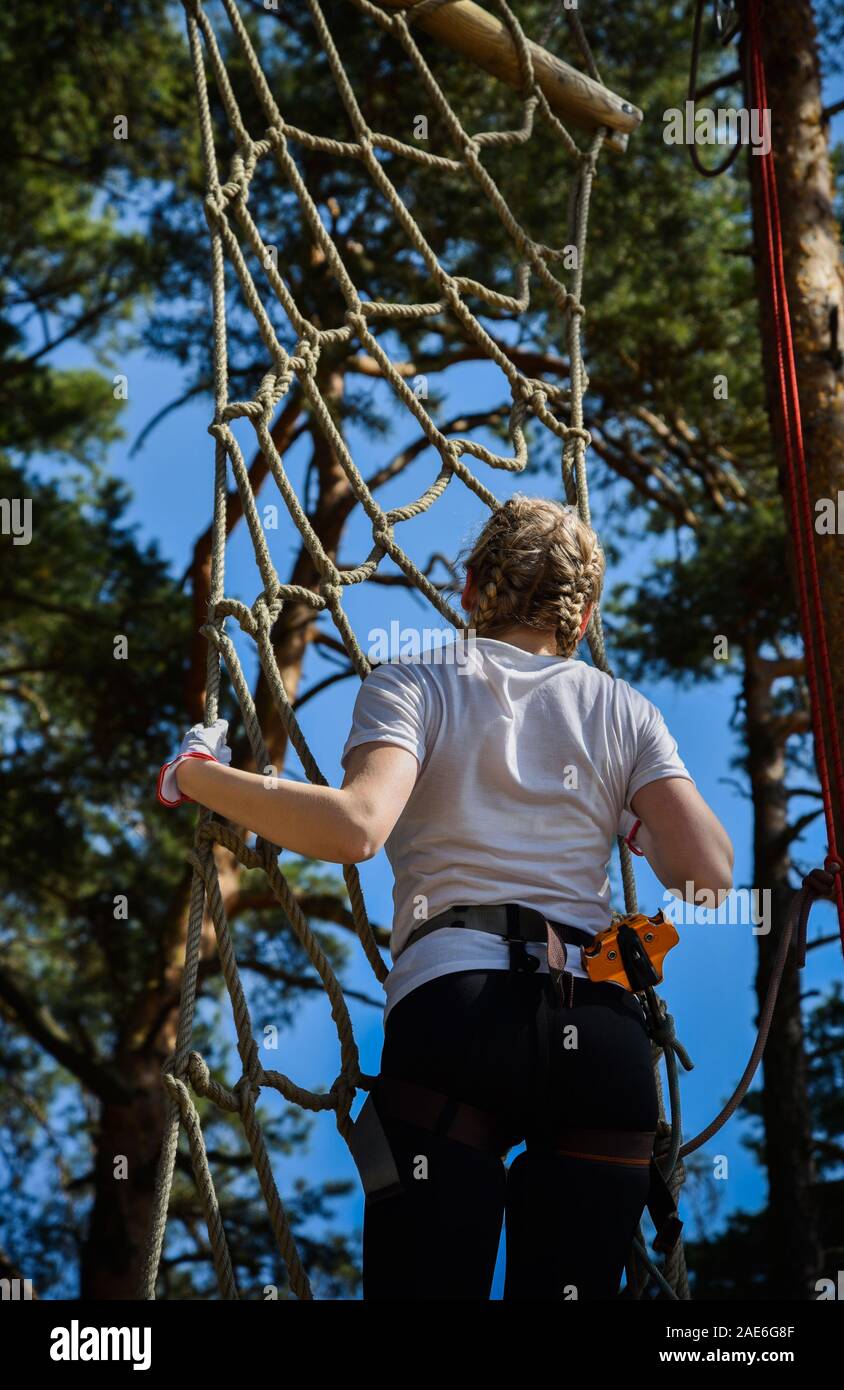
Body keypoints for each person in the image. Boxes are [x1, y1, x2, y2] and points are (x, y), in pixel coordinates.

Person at [158, 493, 733, 1301]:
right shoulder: (623, 709)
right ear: (583, 614)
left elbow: (357, 827)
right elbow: (709, 875)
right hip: (602, 1038)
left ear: (469, 589)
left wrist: (197, 775)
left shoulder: (416, 681)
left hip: (460, 1017)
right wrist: (637, 825)